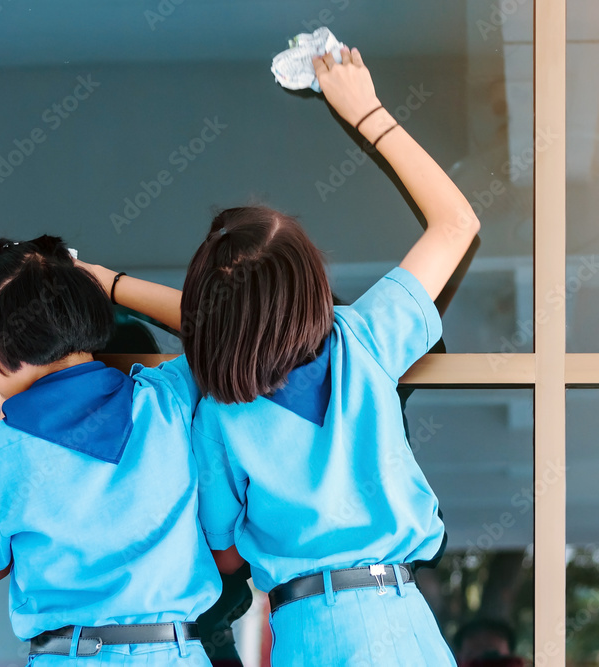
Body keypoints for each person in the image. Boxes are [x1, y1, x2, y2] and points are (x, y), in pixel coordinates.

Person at [78, 46, 479, 665]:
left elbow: (226, 554)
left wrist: (107, 285)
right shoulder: (366, 340)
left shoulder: (219, 409)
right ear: (313, 286)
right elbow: (455, 223)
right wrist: (365, 111)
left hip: (303, 631)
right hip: (403, 623)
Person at [0, 235, 222, 666]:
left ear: (9, 346)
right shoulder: (166, 402)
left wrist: (10, 417)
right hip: (177, 653)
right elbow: (227, 327)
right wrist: (106, 282)